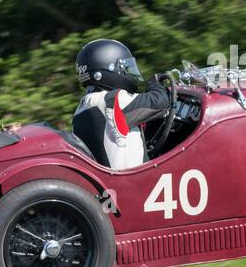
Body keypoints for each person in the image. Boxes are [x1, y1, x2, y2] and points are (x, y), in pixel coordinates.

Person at [72, 38, 172, 169]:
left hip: (111, 182)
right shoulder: (111, 101)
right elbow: (160, 103)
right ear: (108, 69)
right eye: (124, 68)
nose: (129, 73)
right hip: (138, 182)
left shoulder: (82, 107)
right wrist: (155, 84)